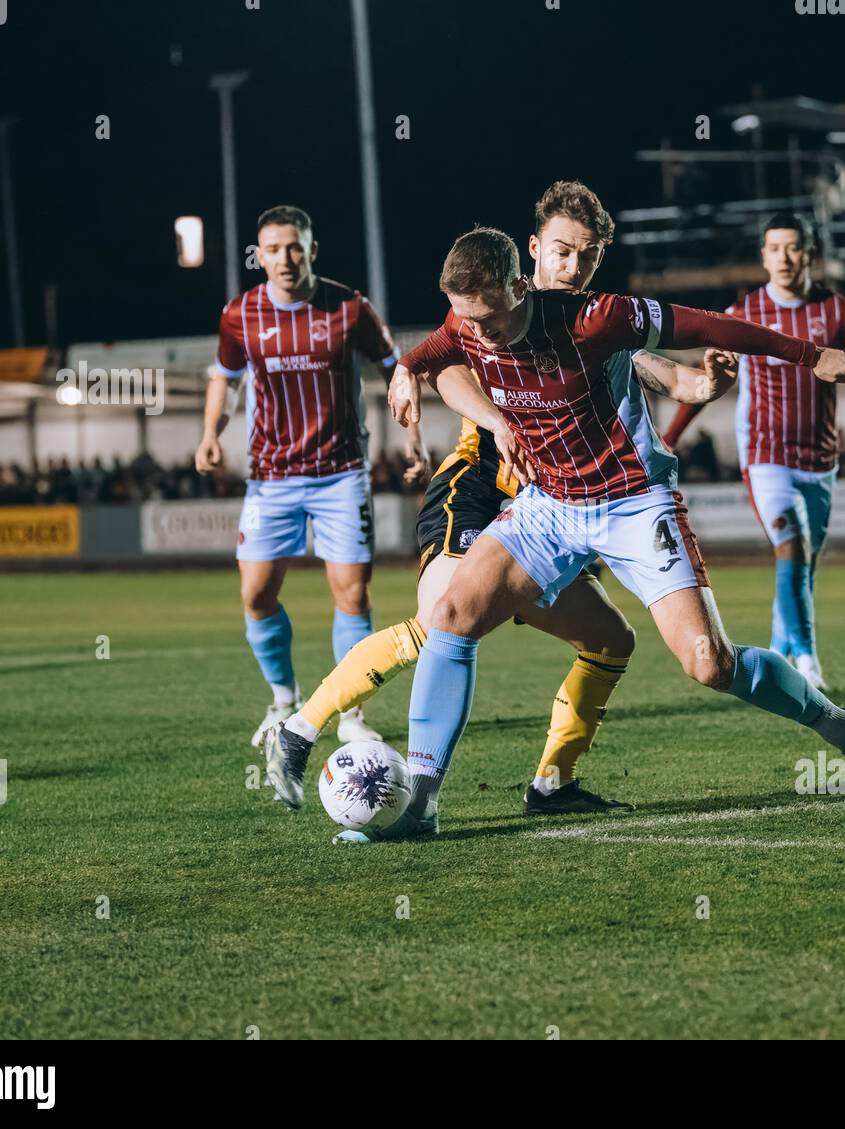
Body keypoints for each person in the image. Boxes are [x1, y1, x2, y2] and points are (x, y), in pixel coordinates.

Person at [338, 225, 845, 843]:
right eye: (465, 320)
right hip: (550, 505)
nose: (477, 332)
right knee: (452, 614)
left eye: (488, 318)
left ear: (518, 286)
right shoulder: (469, 321)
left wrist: (807, 354)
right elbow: (438, 348)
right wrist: (407, 368)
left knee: (708, 664)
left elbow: (708, 325)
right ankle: (420, 807)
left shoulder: (595, 319)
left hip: (633, 503)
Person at [264, 181, 738, 815]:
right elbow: (445, 362)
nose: (575, 267)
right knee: (440, 624)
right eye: (564, 253)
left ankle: (553, 783)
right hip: (481, 487)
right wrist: (490, 417)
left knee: (610, 641)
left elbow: (667, 373)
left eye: (588, 255)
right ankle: (302, 731)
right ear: (532, 254)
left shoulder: (597, 324)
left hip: (562, 513)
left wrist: (703, 383)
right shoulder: (493, 303)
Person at [196, 205, 426, 749]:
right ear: (259, 255)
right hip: (270, 475)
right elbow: (225, 379)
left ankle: (351, 713)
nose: (284, 258)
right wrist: (210, 433)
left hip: (341, 472)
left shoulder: (349, 307)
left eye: (294, 246)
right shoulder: (239, 315)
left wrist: (412, 434)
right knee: (255, 595)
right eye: (272, 249)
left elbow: (398, 370)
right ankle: (283, 700)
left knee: (351, 594)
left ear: (312, 250)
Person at [661, 213, 845, 688]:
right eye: (774, 248)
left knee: (801, 562)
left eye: (793, 248)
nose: (784, 257)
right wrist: (672, 436)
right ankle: (809, 661)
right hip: (765, 454)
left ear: (809, 254)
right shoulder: (744, 314)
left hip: (819, 462)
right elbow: (706, 377)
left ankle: (780, 647)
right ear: (763, 256)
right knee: (790, 542)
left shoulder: (835, 311)